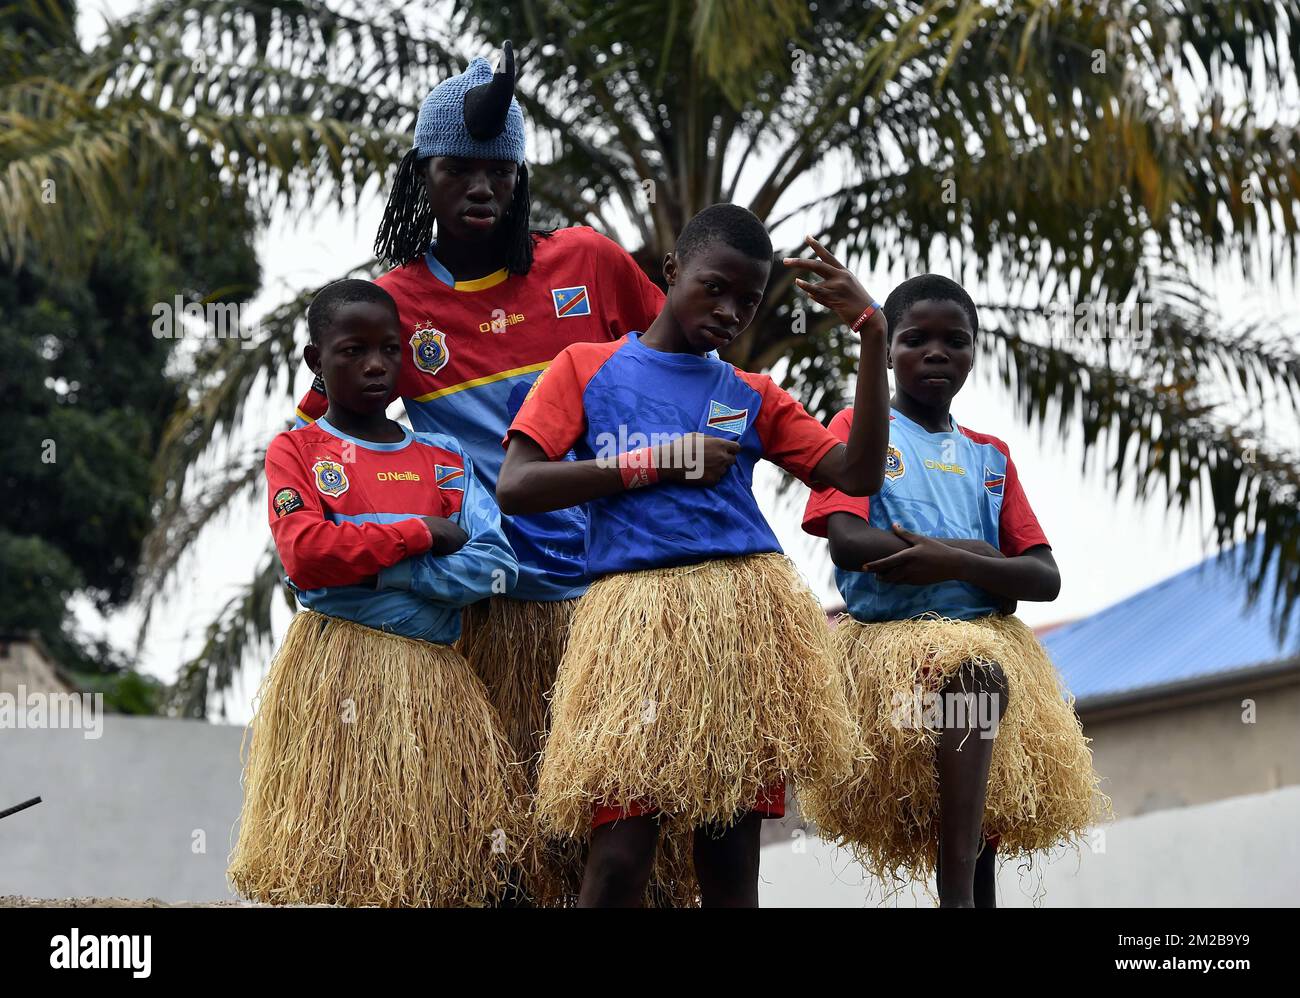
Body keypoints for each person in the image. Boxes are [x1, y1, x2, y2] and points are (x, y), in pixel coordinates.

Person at [292, 43, 668, 903]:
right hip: (476, 610)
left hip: (605, 599)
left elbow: (680, 370)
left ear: (521, 178)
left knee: (609, 842)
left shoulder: (592, 264)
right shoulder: (393, 305)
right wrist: (321, 550)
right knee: (487, 854)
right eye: (455, 168)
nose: (480, 188)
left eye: (498, 170)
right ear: (418, 177)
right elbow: (324, 438)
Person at [496, 204, 891, 906]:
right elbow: (518, 485)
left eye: (748, 299)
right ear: (672, 272)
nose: (732, 310)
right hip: (631, 631)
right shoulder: (587, 367)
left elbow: (857, 476)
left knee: (731, 871)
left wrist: (873, 334)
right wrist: (659, 462)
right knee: (618, 859)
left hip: (739, 632)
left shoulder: (750, 394)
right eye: (716, 287)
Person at [800, 273, 1106, 907]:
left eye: (955, 341)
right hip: (895, 647)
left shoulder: (989, 456)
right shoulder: (860, 425)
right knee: (973, 678)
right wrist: (984, 561)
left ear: (973, 351)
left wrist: (951, 558)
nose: (936, 353)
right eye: (915, 339)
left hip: (988, 639)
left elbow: (1044, 577)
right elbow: (849, 540)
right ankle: (954, 897)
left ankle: (970, 893)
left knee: (983, 791)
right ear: (887, 352)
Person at [230, 280, 528, 907]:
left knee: (440, 873)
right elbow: (306, 556)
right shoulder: (298, 450)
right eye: (353, 350)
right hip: (336, 676)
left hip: (437, 685)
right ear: (316, 360)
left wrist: (375, 567)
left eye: (389, 350)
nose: (375, 365)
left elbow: (494, 566)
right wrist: (420, 532)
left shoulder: (443, 457)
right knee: (339, 874)